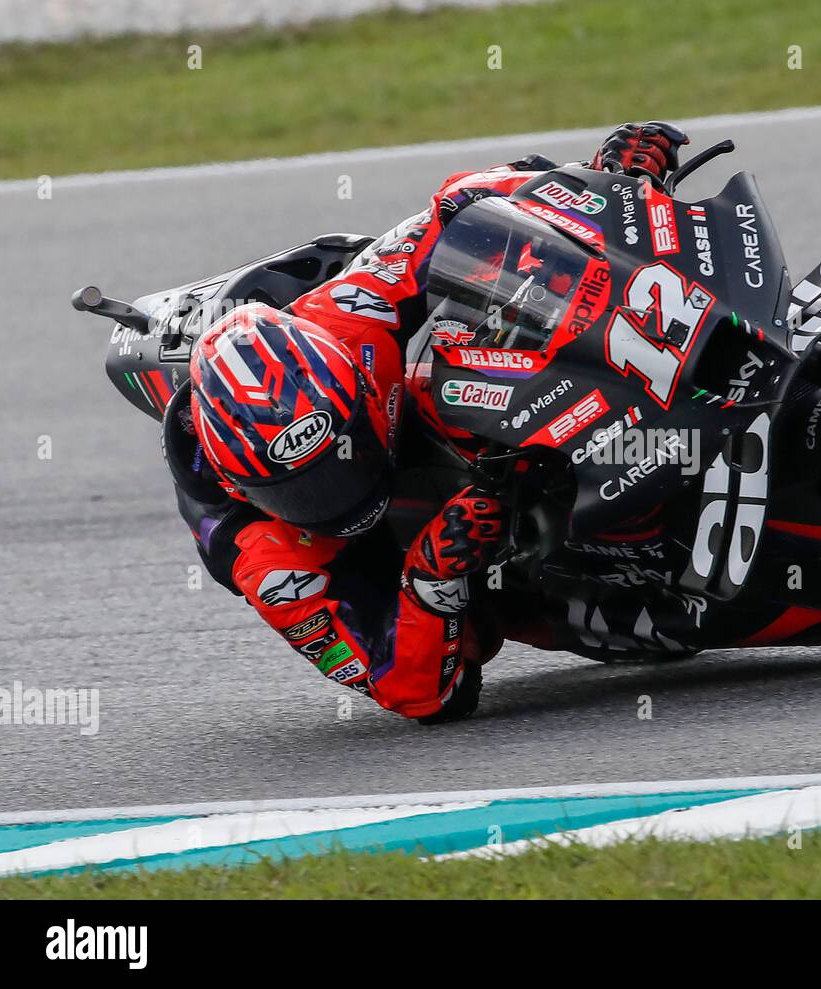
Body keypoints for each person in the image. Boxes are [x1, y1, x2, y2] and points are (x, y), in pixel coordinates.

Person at [162, 123, 690, 724]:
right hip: (422, 573)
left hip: (405, 417)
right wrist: (431, 578)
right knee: (609, 622)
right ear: (243, 488)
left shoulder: (349, 319)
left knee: (471, 343)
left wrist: (603, 184)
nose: (340, 491)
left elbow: (465, 202)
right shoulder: (270, 563)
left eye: (346, 456)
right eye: (304, 490)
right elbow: (411, 693)